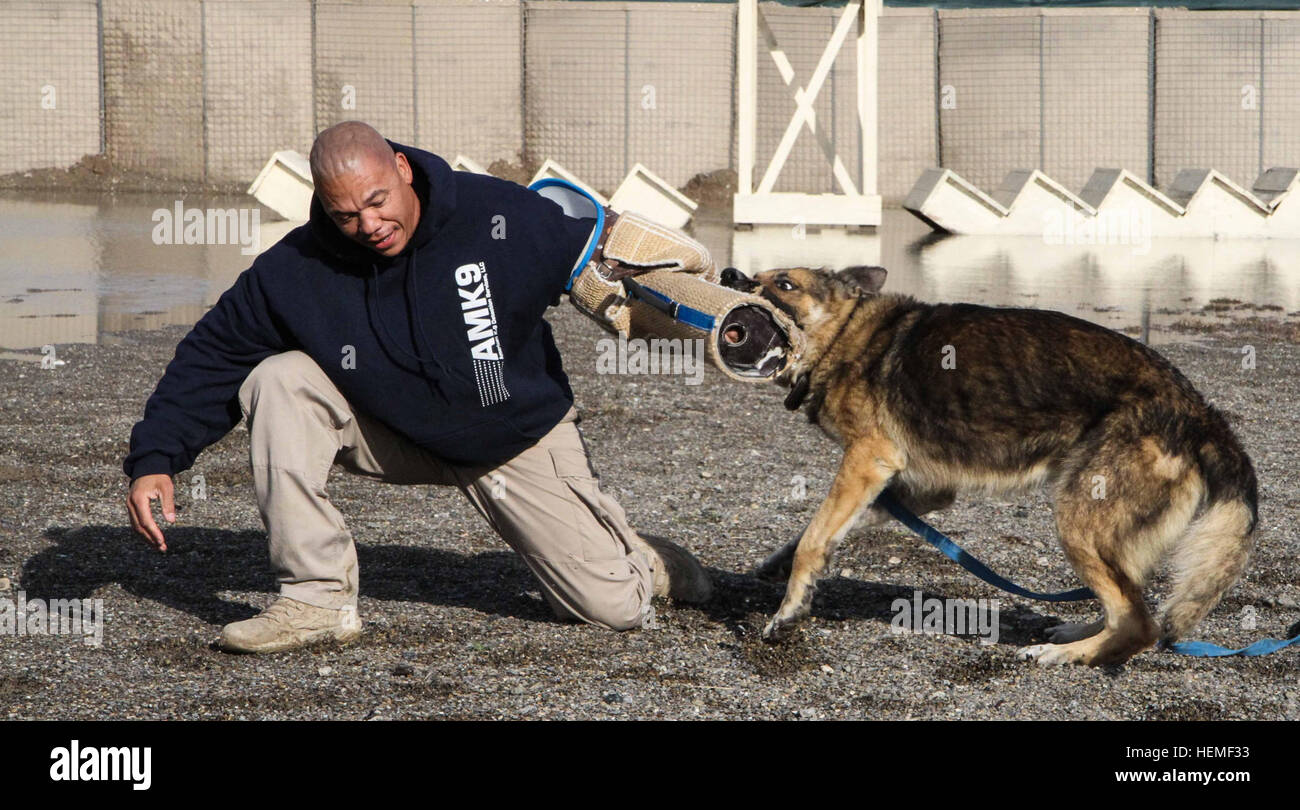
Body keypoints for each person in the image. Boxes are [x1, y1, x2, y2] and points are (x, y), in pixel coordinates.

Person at [124, 121, 711, 653]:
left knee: (611, 610)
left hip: (513, 437)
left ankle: (648, 561)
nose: (369, 226)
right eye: (346, 215)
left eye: (377, 201)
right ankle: (315, 598)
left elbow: (620, 269)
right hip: (397, 430)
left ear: (402, 169)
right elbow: (214, 354)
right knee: (279, 379)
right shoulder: (294, 269)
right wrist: (156, 457)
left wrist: (714, 305)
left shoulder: (498, 215)